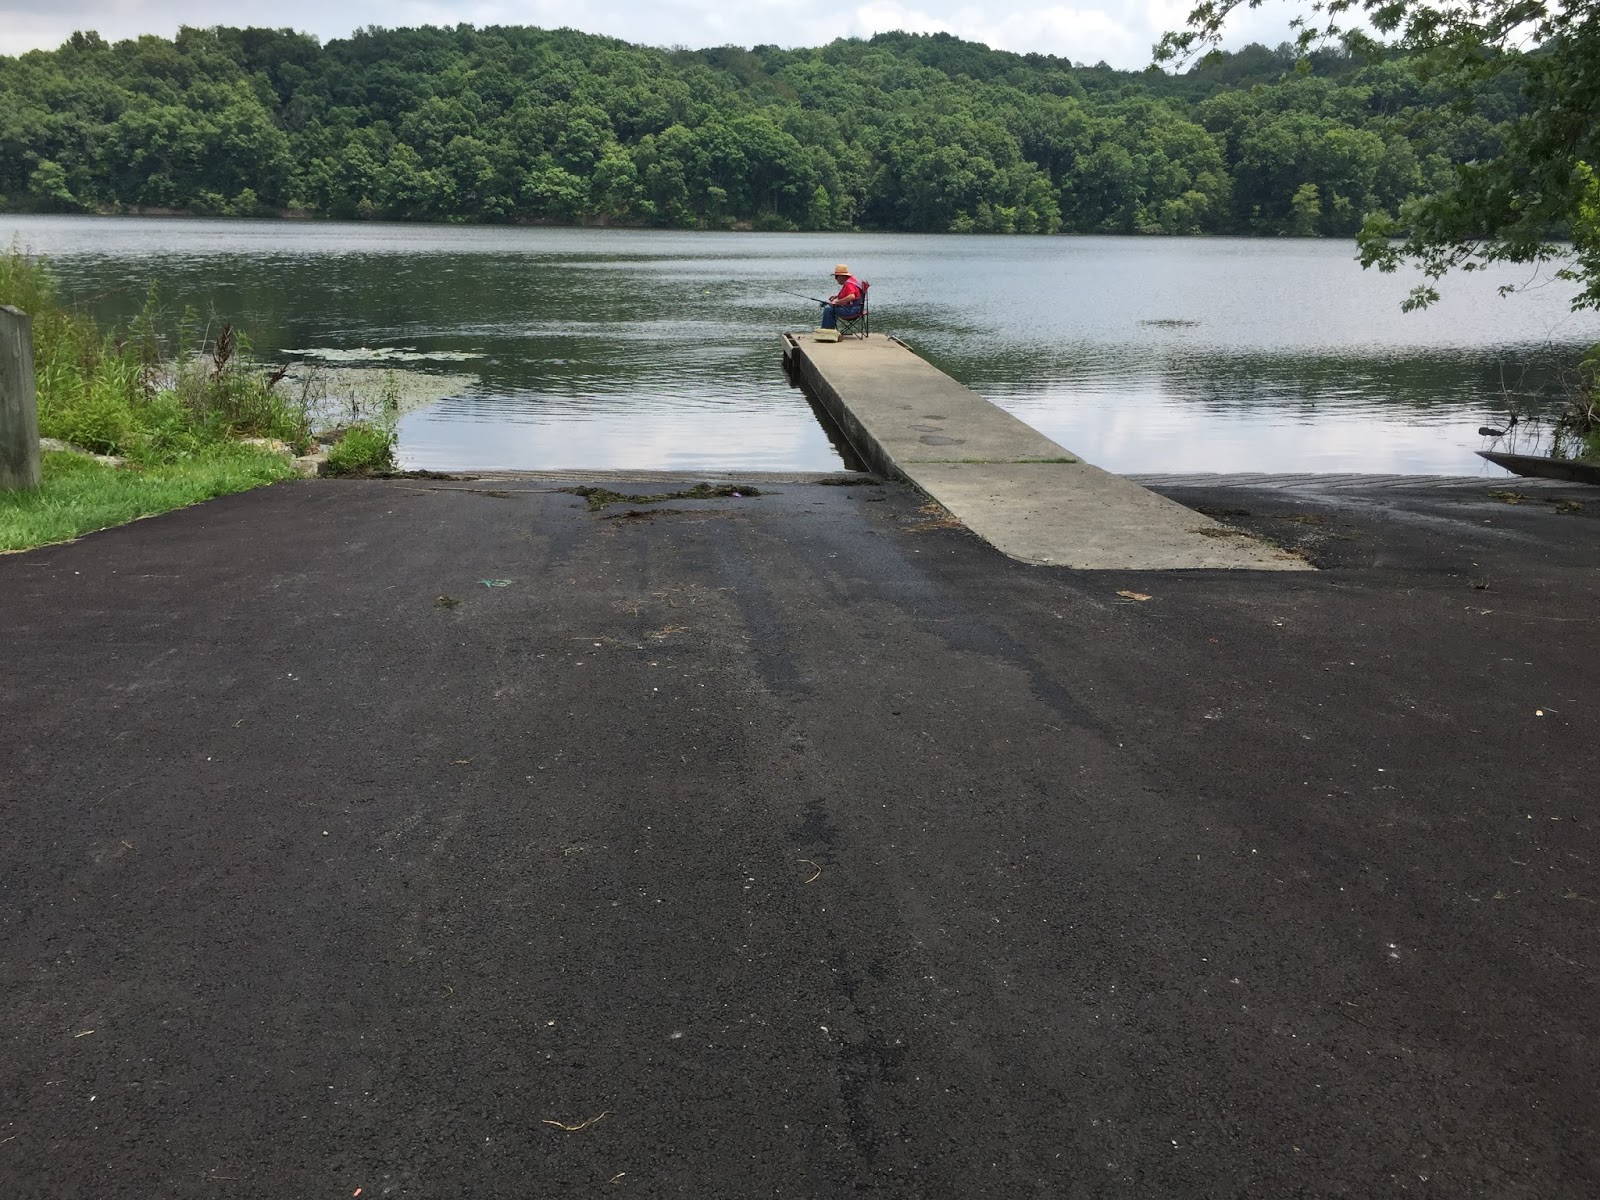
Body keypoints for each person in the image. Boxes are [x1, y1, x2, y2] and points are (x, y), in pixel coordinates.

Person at [820, 264, 864, 330]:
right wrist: (836, 296)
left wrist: (836, 302)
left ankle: (827, 330)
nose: (835, 279)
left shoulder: (849, 284)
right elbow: (853, 294)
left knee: (828, 309)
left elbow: (851, 296)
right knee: (829, 306)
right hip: (856, 308)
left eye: (836, 276)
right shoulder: (852, 281)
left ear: (841, 276)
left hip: (851, 310)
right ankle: (828, 329)